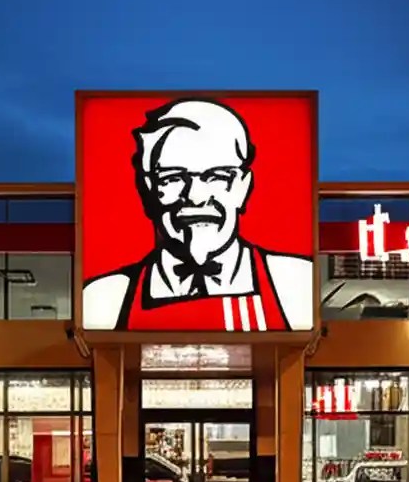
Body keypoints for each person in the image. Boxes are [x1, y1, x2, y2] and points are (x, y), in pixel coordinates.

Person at [83, 98, 313, 331]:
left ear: (242, 187)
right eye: (173, 178)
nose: (196, 196)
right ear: (148, 188)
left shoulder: (296, 282)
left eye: (218, 176)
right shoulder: (107, 298)